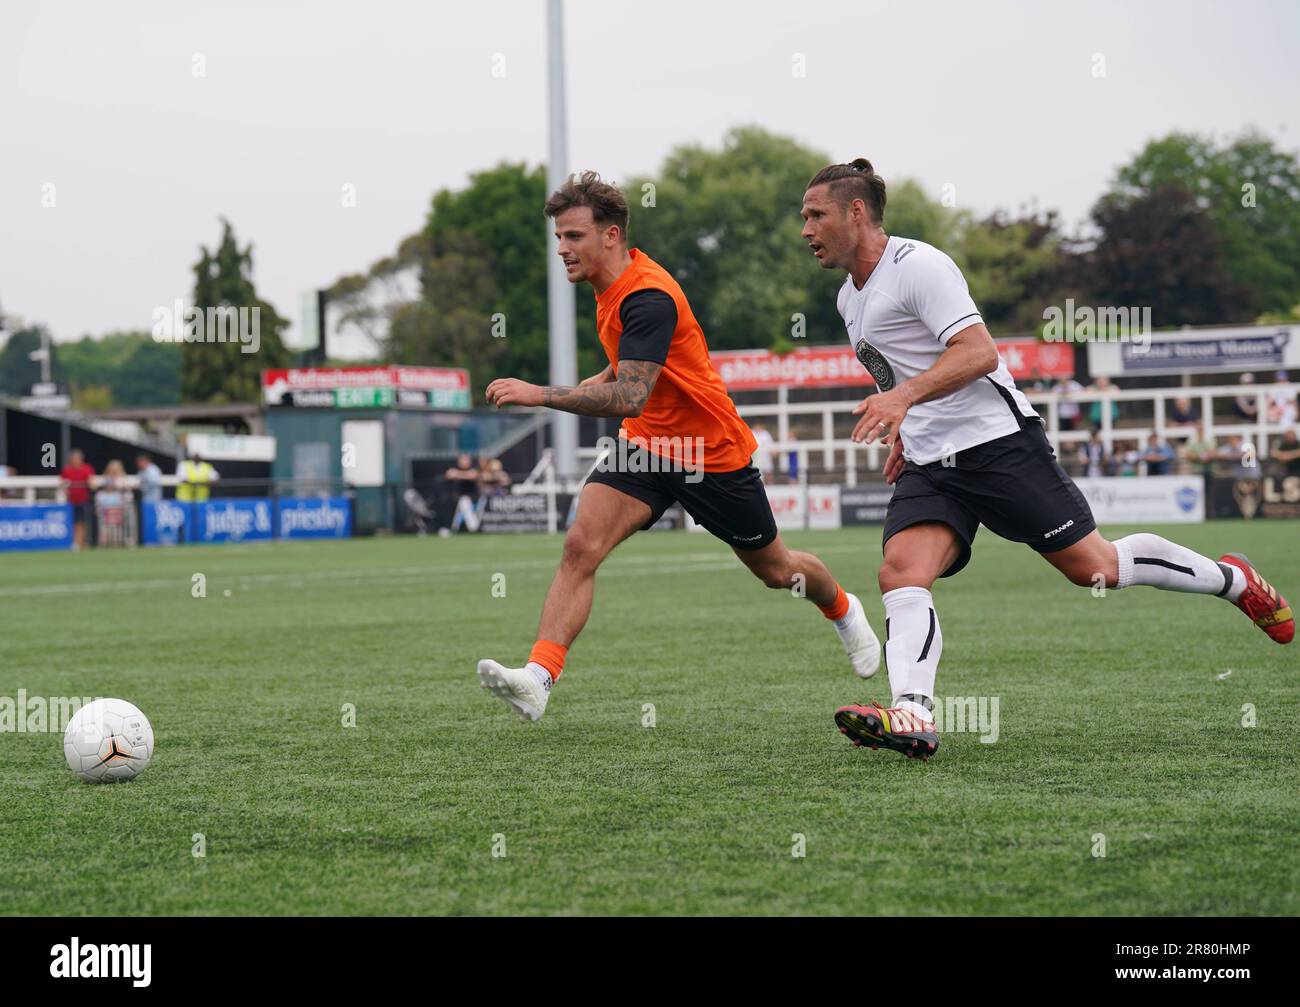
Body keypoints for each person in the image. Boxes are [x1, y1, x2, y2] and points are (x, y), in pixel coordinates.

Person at [797, 157, 1292, 761]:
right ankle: (912, 715)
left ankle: (1234, 581)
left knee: (1096, 569)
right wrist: (907, 427)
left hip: (998, 444)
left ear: (856, 211)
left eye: (815, 214)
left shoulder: (918, 266)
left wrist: (902, 398)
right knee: (901, 573)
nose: (806, 229)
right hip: (932, 462)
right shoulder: (849, 299)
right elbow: (906, 371)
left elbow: (978, 353)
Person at [476, 171, 880, 722]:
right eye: (559, 238)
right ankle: (539, 679)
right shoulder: (609, 289)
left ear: (612, 236)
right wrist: (583, 386)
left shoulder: (648, 296)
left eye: (573, 236)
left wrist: (541, 394)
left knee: (776, 569)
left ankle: (842, 607)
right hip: (645, 447)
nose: (563, 249)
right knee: (580, 547)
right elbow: (624, 370)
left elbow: (631, 395)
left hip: (708, 453)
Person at [59, 449, 96, 550]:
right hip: (70, 502)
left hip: (83, 501)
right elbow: (61, 484)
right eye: (73, 459)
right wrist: (65, 490)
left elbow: (92, 483)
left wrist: (90, 484)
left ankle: (79, 543)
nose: (75, 460)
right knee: (71, 522)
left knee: (81, 522)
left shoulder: (87, 469)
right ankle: (75, 542)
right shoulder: (67, 470)